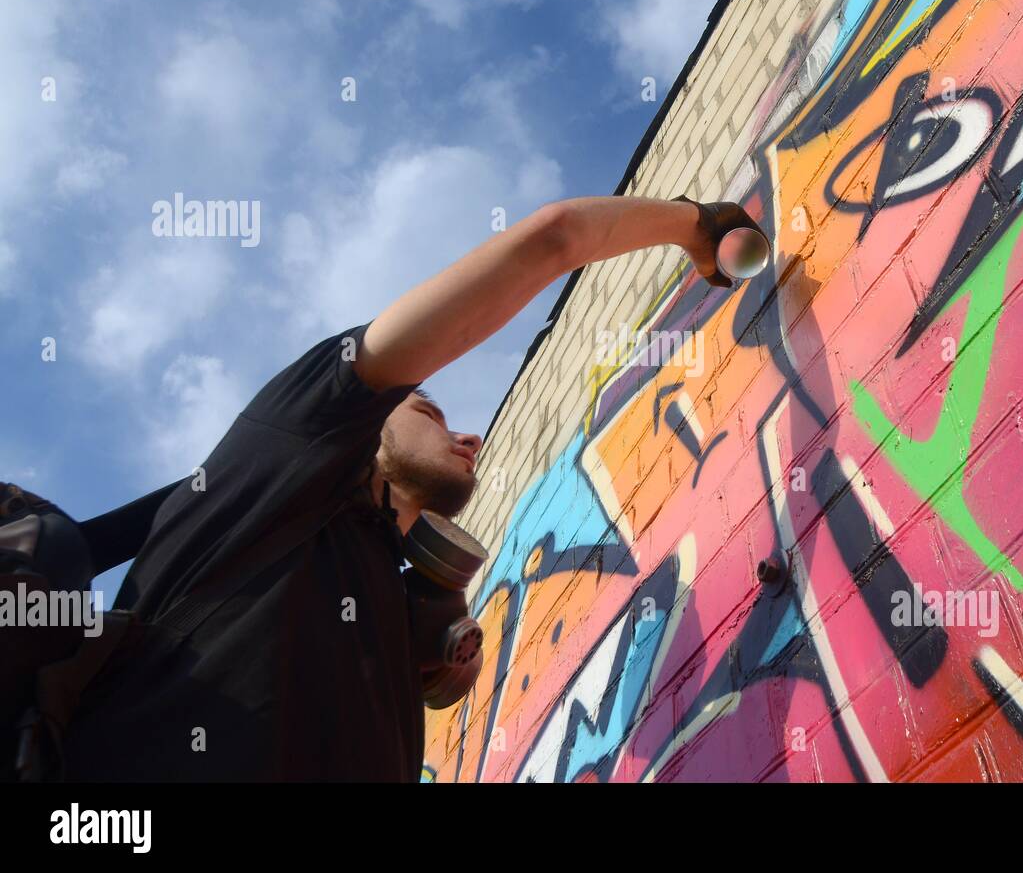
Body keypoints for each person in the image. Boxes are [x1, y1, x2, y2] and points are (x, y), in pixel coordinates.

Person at [59, 195, 762, 781]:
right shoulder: (291, 442)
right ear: (360, 428)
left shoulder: (383, 596)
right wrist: (693, 224)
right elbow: (557, 238)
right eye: (429, 410)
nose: (471, 438)